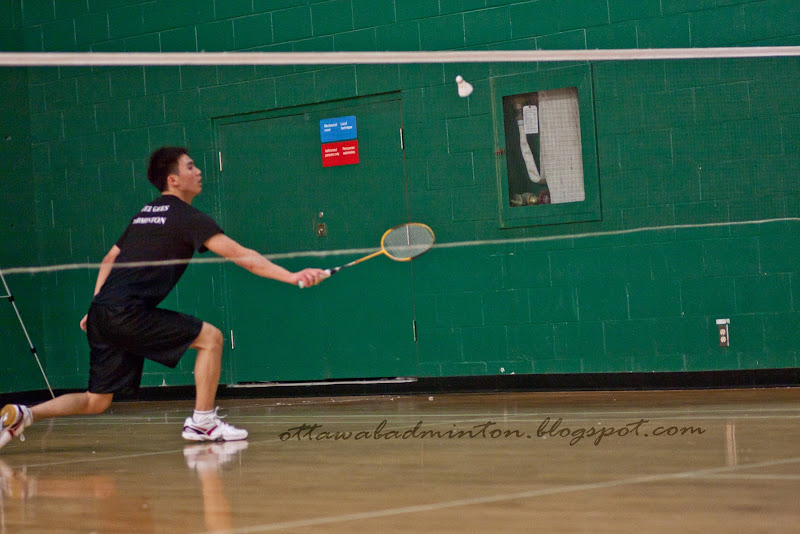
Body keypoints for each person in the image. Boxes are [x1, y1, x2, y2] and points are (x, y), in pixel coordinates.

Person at [0, 147, 328, 449]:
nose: (198, 171)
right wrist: (292, 276)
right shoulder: (187, 217)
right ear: (173, 180)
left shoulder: (146, 213)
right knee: (211, 338)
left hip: (103, 311)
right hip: (126, 311)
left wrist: (96, 304)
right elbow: (241, 255)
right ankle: (203, 423)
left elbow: (108, 259)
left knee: (96, 400)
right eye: (190, 166)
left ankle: (24, 415)